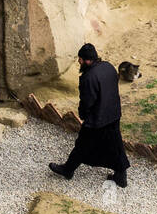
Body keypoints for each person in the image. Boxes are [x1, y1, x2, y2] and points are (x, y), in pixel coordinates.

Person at [49, 44, 130, 187]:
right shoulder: (108, 66)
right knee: (115, 144)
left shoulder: (88, 77)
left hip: (97, 120)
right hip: (114, 113)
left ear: (87, 60)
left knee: (82, 145)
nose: (78, 62)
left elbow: (87, 101)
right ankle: (121, 176)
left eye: (80, 59)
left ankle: (68, 170)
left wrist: (83, 115)